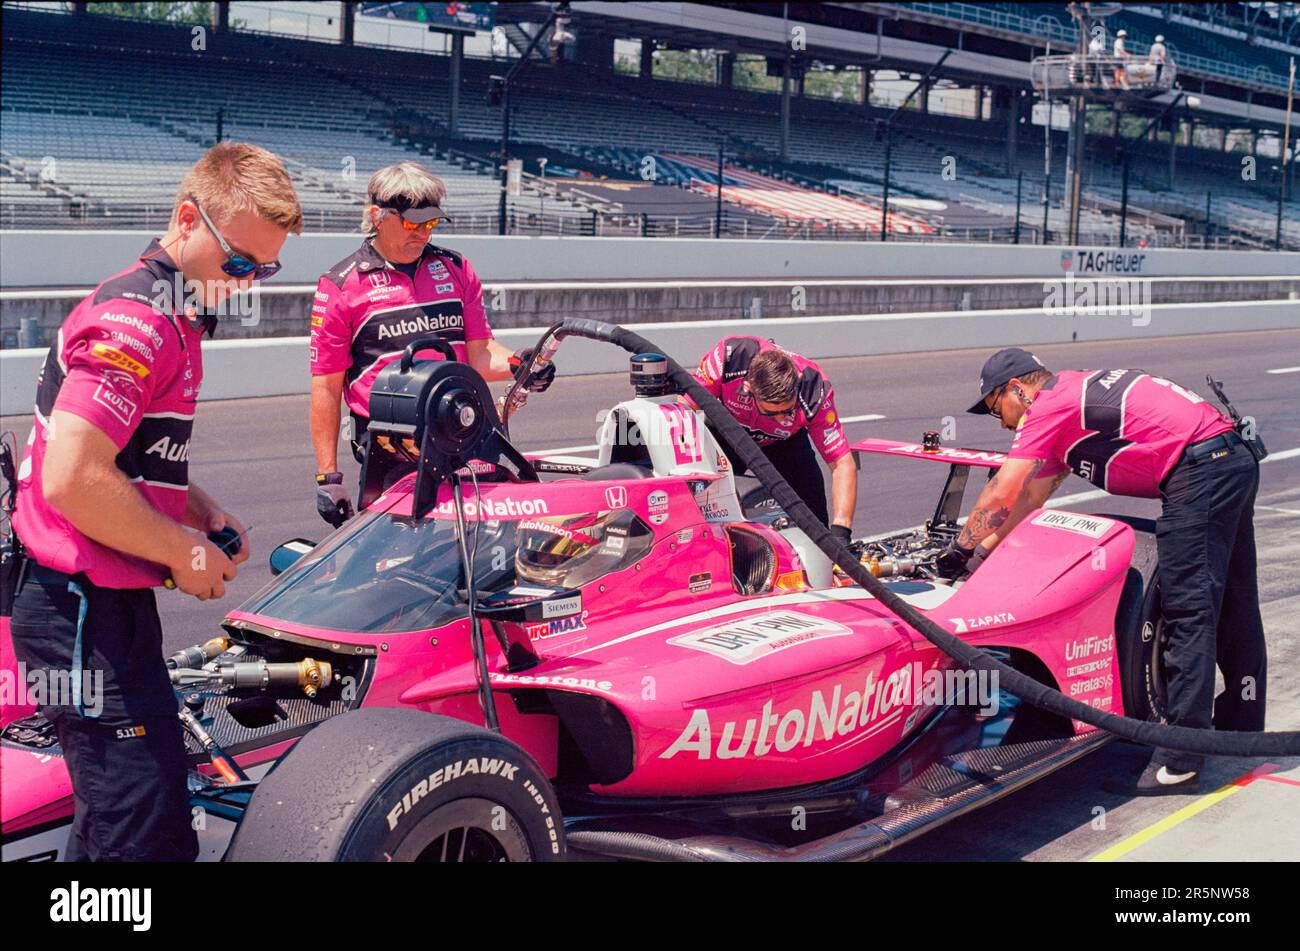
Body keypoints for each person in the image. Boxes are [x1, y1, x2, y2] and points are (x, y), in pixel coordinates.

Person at [7, 142, 302, 860]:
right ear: (186, 220)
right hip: (77, 609)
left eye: (265, 269)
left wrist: (197, 510)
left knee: (136, 817)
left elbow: (120, 453)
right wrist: (184, 549)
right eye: (239, 263)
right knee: (139, 827)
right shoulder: (139, 320)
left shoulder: (172, 311)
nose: (249, 284)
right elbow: (73, 476)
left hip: (100, 607)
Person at [938, 348, 1265, 796]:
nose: (1002, 423)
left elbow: (1001, 491)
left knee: (1188, 611)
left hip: (1200, 470)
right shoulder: (1070, 405)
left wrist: (958, 550)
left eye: (997, 408)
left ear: (1018, 389)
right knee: (1233, 602)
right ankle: (1241, 728)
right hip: (1227, 459)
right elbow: (1029, 500)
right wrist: (980, 558)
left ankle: (1182, 759)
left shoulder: (1047, 405)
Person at [309, 162, 554, 527]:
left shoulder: (456, 268)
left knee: (496, 538)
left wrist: (521, 365)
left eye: (431, 223)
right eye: (413, 223)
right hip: (393, 447)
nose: (423, 233)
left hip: (463, 429)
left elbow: (481, 354)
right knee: (401, 552)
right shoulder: (341, 286)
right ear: (378, 216)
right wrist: (328, 477)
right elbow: (326, 387)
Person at [691, 336, 857, 541]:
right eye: (772, 412)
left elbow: (841, 463)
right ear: (749, 388)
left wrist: (842, 531)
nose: (780, 418)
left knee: (817, 527)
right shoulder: (729, 358)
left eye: (788, 410)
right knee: (697, 506)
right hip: (727, 434)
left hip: (785, 444)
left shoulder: (815, 389)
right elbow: (683, 405)